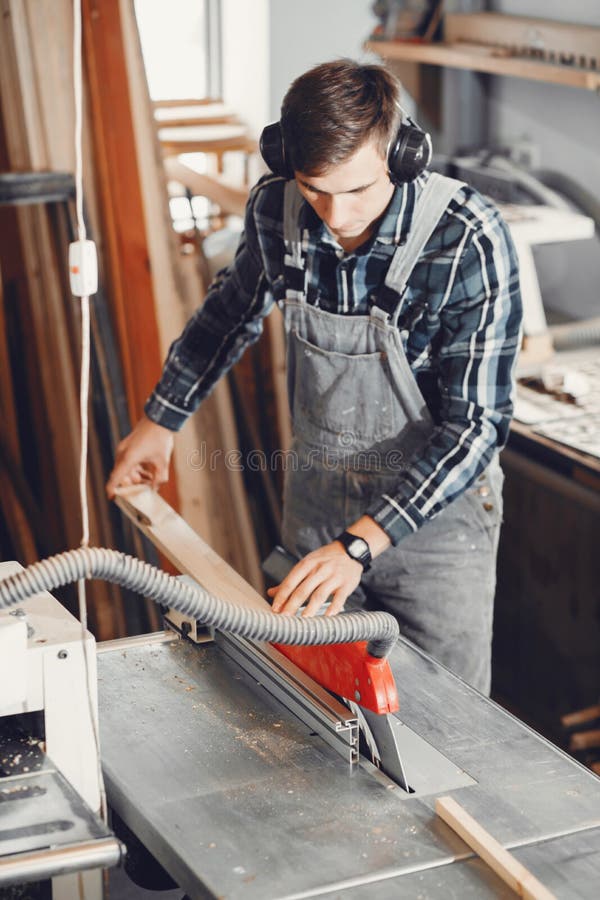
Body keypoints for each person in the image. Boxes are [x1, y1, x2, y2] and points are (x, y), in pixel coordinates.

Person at [106, 59, 522, 695]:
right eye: (315, 188)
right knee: (320, 710)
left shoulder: (467, 240)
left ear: (401, 153)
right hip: (318, 507)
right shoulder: (279, 209)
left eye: (357, 190)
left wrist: (359, 546)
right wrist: (159, 421)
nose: (334, 212)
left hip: (438, 532)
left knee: (448, 724)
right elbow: (227, 315)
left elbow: (478, 427)